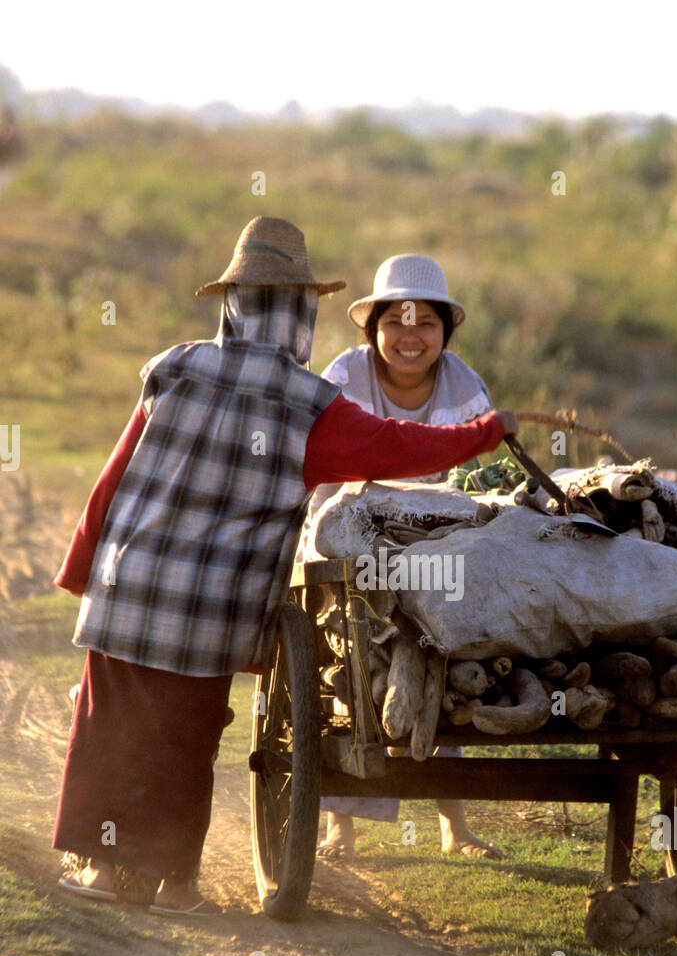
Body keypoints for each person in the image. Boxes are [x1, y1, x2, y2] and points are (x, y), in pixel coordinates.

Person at [53, 219, 517, 917]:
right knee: (185, 740)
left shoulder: (173, 366)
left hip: (130, 588)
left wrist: (82, 567)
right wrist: (486, 432)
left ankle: (100, 872)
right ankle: (173, 883)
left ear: (231, 305)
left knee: (111, 728)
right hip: (210, 612)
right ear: (300, 312)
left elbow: (113, 479)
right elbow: (401, 451)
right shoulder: (308, 404)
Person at [310, 254, 506, 862]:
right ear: (374, 330)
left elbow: (481, 488)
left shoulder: (466, 388)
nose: (411, 336)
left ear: (445, 332)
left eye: (426, 323)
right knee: (349, 657)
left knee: (445, 655)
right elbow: (330, 463)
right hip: (351, 535)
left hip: (440, 544)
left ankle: (454, 825)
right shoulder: (344, 375)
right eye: (397, 321)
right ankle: (338, 824)